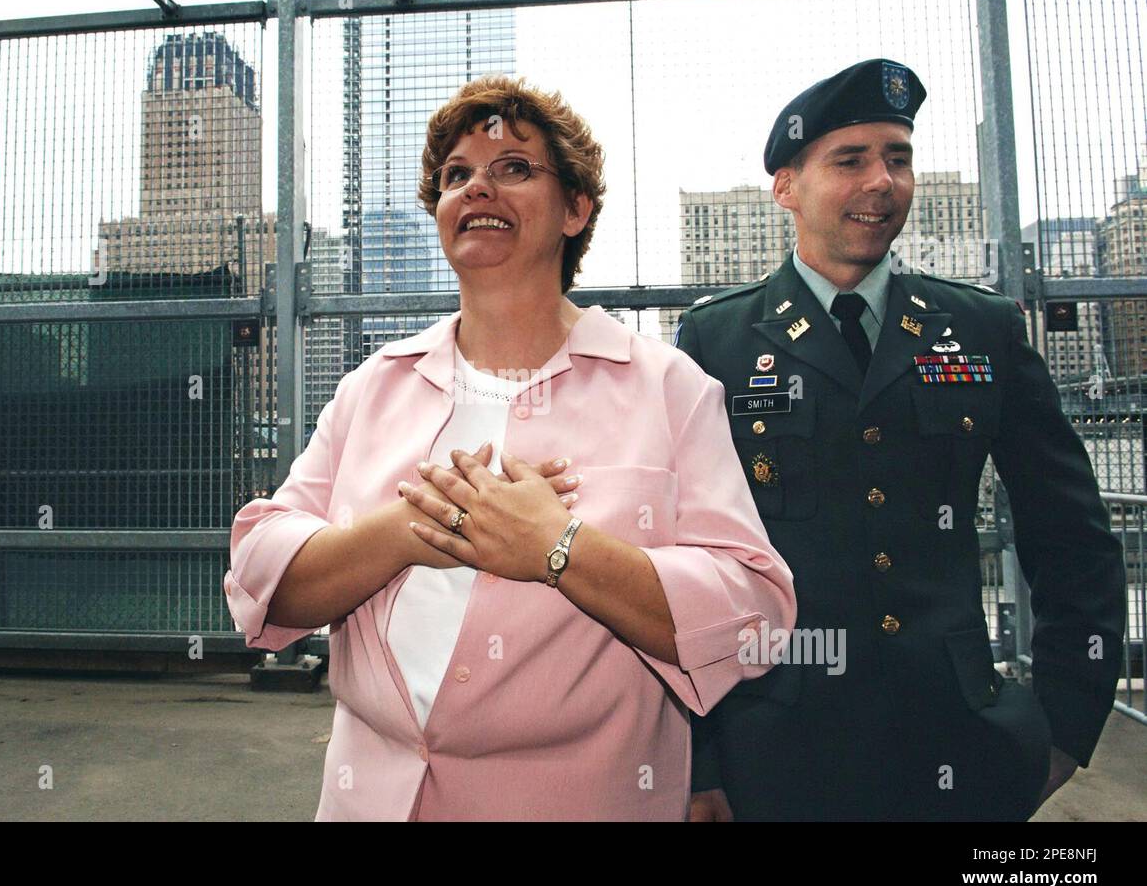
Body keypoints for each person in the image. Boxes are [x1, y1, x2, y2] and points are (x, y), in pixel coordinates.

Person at [223, 74, 795, 821]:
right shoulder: (374, 386)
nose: (477, 188)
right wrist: (406, 533)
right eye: (457, 175)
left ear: (575, 209)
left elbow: (755, 615)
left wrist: (557, 547)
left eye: (514, 169)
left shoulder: (668, 386)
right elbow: (261, 577)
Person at [676, 59, 1125, 822]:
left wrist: (1062, 726)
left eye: (898, 157)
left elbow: (1071, 535)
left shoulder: (980, 328)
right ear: (785, 187)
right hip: (776, 753)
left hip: (956, 740)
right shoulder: (715, 339)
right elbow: (680, 564)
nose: (883, 181)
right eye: (850, 160)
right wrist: (699, 763)